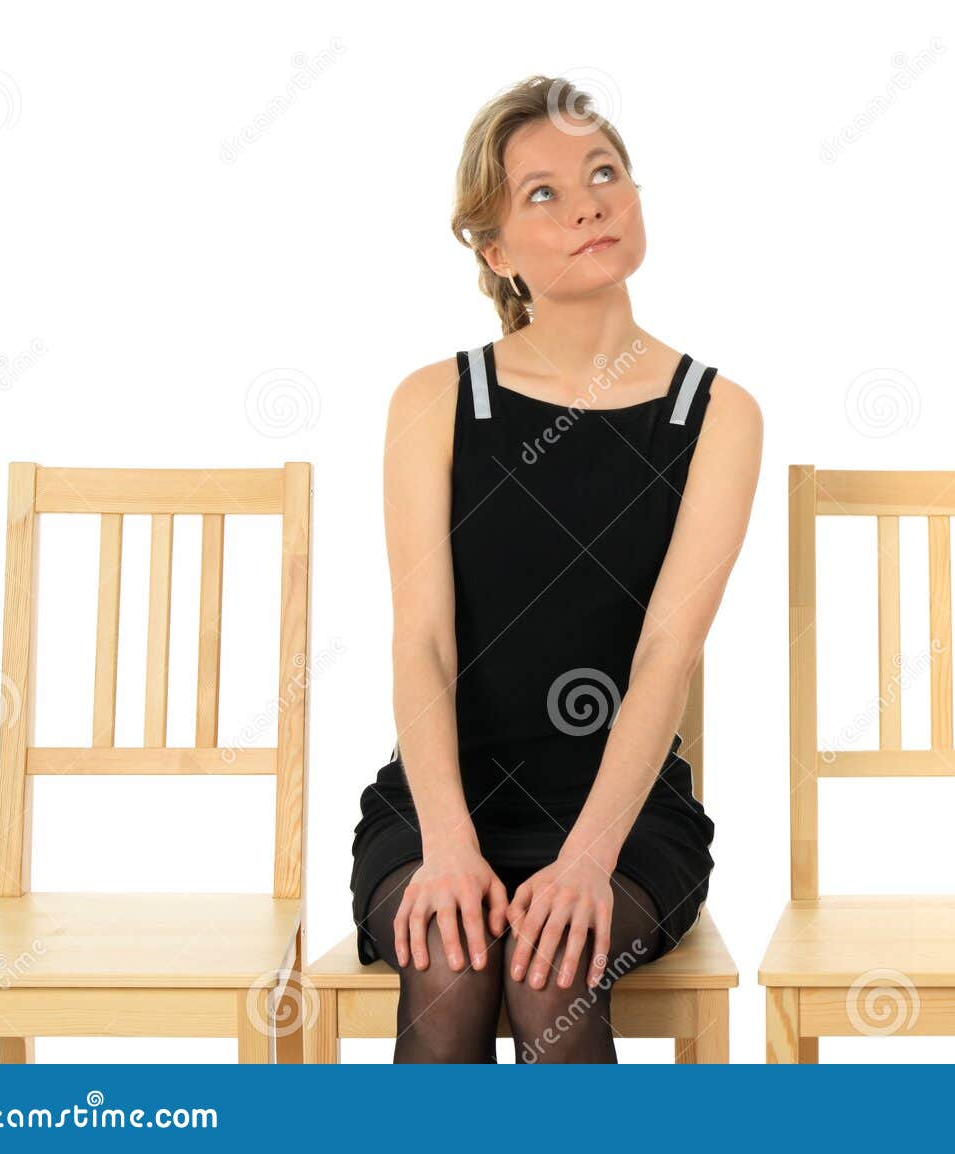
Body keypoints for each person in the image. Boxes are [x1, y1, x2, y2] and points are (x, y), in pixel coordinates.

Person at [347, 74, 762, 1063]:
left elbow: (669, 648)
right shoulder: (434, 400)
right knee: (450, 957)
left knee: (551, 968)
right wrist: (447, 843)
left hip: (621, 813)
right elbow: (422, 640)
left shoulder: (718, 412)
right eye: (542, 191)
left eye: (604, 173)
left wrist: (586, 857)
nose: (587, 202)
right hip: (443, 799)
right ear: (492, 250)